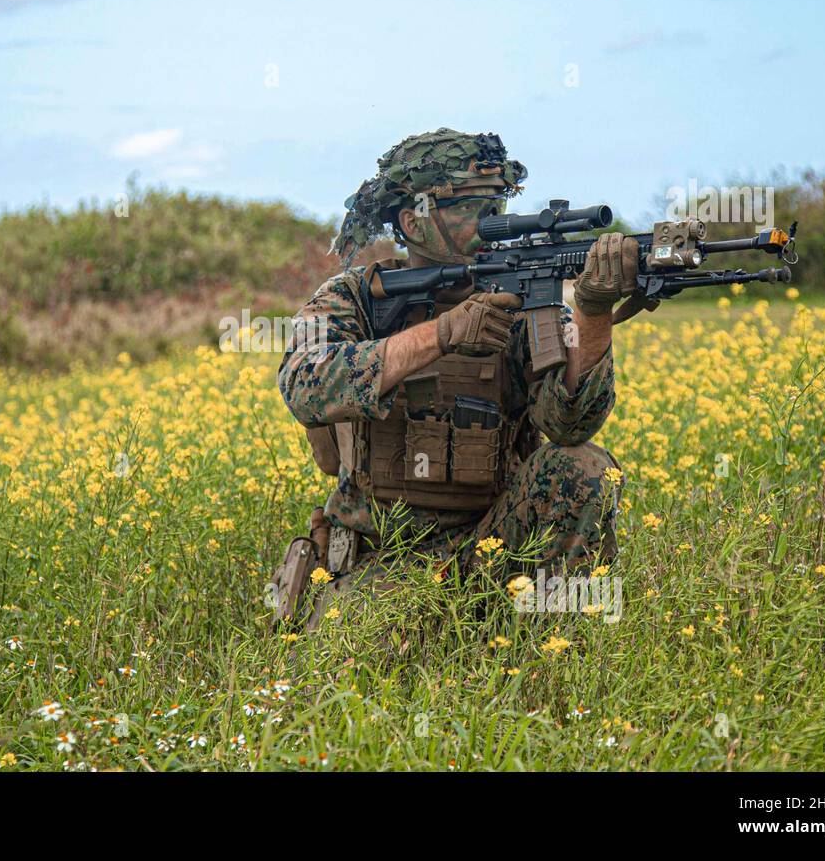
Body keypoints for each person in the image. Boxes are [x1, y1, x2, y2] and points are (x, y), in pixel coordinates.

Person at [271, 129, 652, 630]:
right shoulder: (352, 298)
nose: (490, 219)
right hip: (384, 557)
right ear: (413, 221)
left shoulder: (521, 300)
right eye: (470, 206)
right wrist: (443, 334)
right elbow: (305, 385)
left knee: (584, 465)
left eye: (496, 202)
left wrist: (594, 314)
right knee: (364, 681)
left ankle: (558, 650)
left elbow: (572, 425)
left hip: (495, 543)